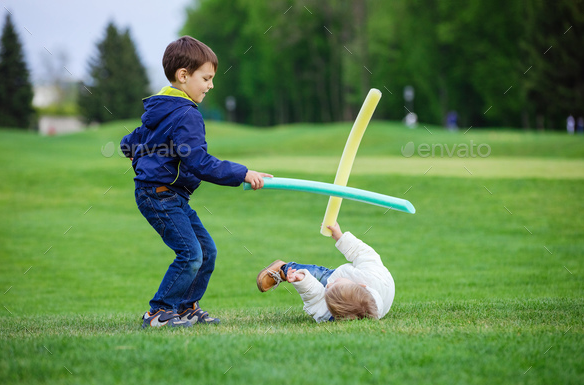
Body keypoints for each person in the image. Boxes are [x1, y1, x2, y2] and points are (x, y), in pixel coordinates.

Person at [121, 36, 272, 328]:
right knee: (190, 254)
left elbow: (128, 143)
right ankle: (159, 312)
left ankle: (186, 308)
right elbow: (199, 162)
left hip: (169, 195)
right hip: (160, 195)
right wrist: (242, 173)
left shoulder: (161, 108)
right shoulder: (184, 113)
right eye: (206, 78)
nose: (211, 85)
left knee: (206, 252)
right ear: (183, 76)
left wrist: (144, 161)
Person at [256, 222, 395, 322]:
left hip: (343, 288)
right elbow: (363, 253)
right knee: (319, 274)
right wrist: (340, 237)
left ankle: (284, 270)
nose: (327, 286)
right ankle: (282, 269)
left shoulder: (330, 314)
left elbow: (315, 299)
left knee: (308, 276)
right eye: (333, 286)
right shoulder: (373, 274)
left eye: (328, 292)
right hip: (351, 276)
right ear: (361, 285)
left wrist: (302, 281)